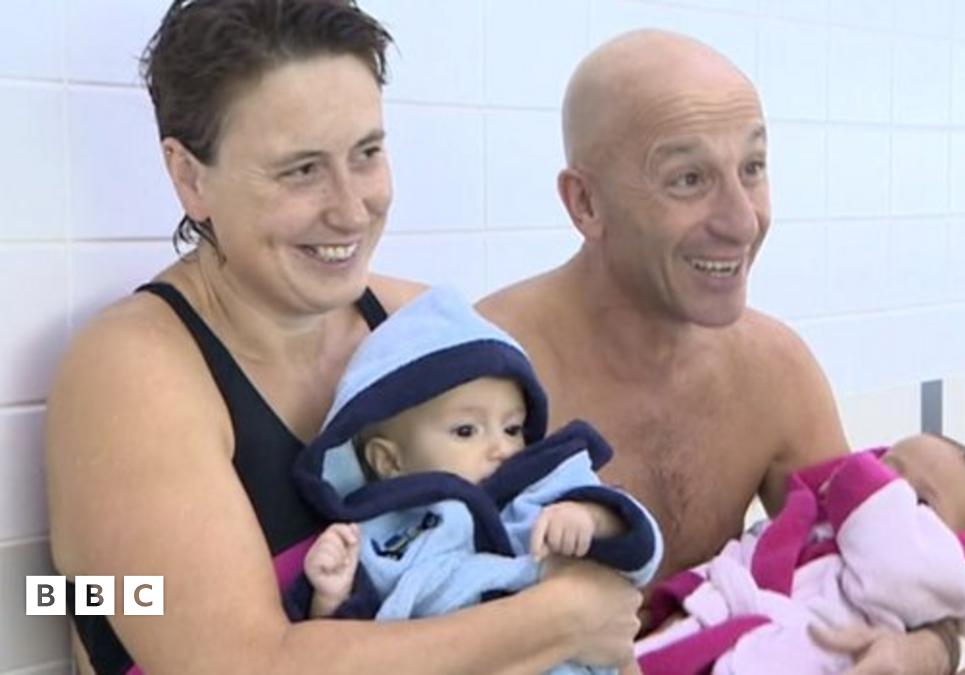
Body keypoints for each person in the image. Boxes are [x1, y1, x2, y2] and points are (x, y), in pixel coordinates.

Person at [43, 2, 643, 674]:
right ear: (189, 176)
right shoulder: (132, 374)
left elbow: (536, 521)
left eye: (367, 153)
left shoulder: (423, 327)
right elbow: (236, 665)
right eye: (300, 170)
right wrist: (560, 619)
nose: (351, 208)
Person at [478, 29, 965, 674]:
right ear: (586, 203)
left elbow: (886, 577)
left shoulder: (772, 371)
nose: (742, 221)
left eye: (753, 169)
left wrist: (921, 652)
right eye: (689, 179)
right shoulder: (487, 373)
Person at [287, 289, 661, 674]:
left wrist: (593, 519)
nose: (501, 447)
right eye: (466, 430)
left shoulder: (542, 488)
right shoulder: (375, 536)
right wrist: (330, 599)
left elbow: (640, 549)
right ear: (389, 460)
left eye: (513, 427)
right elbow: (351, 648)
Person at [634, 434, 965, 674]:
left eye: (918, 501)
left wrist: (927, 649)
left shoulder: (778, 371)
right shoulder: (813, 528)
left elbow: (926, 595)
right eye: (887, 468)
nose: (887, 488)